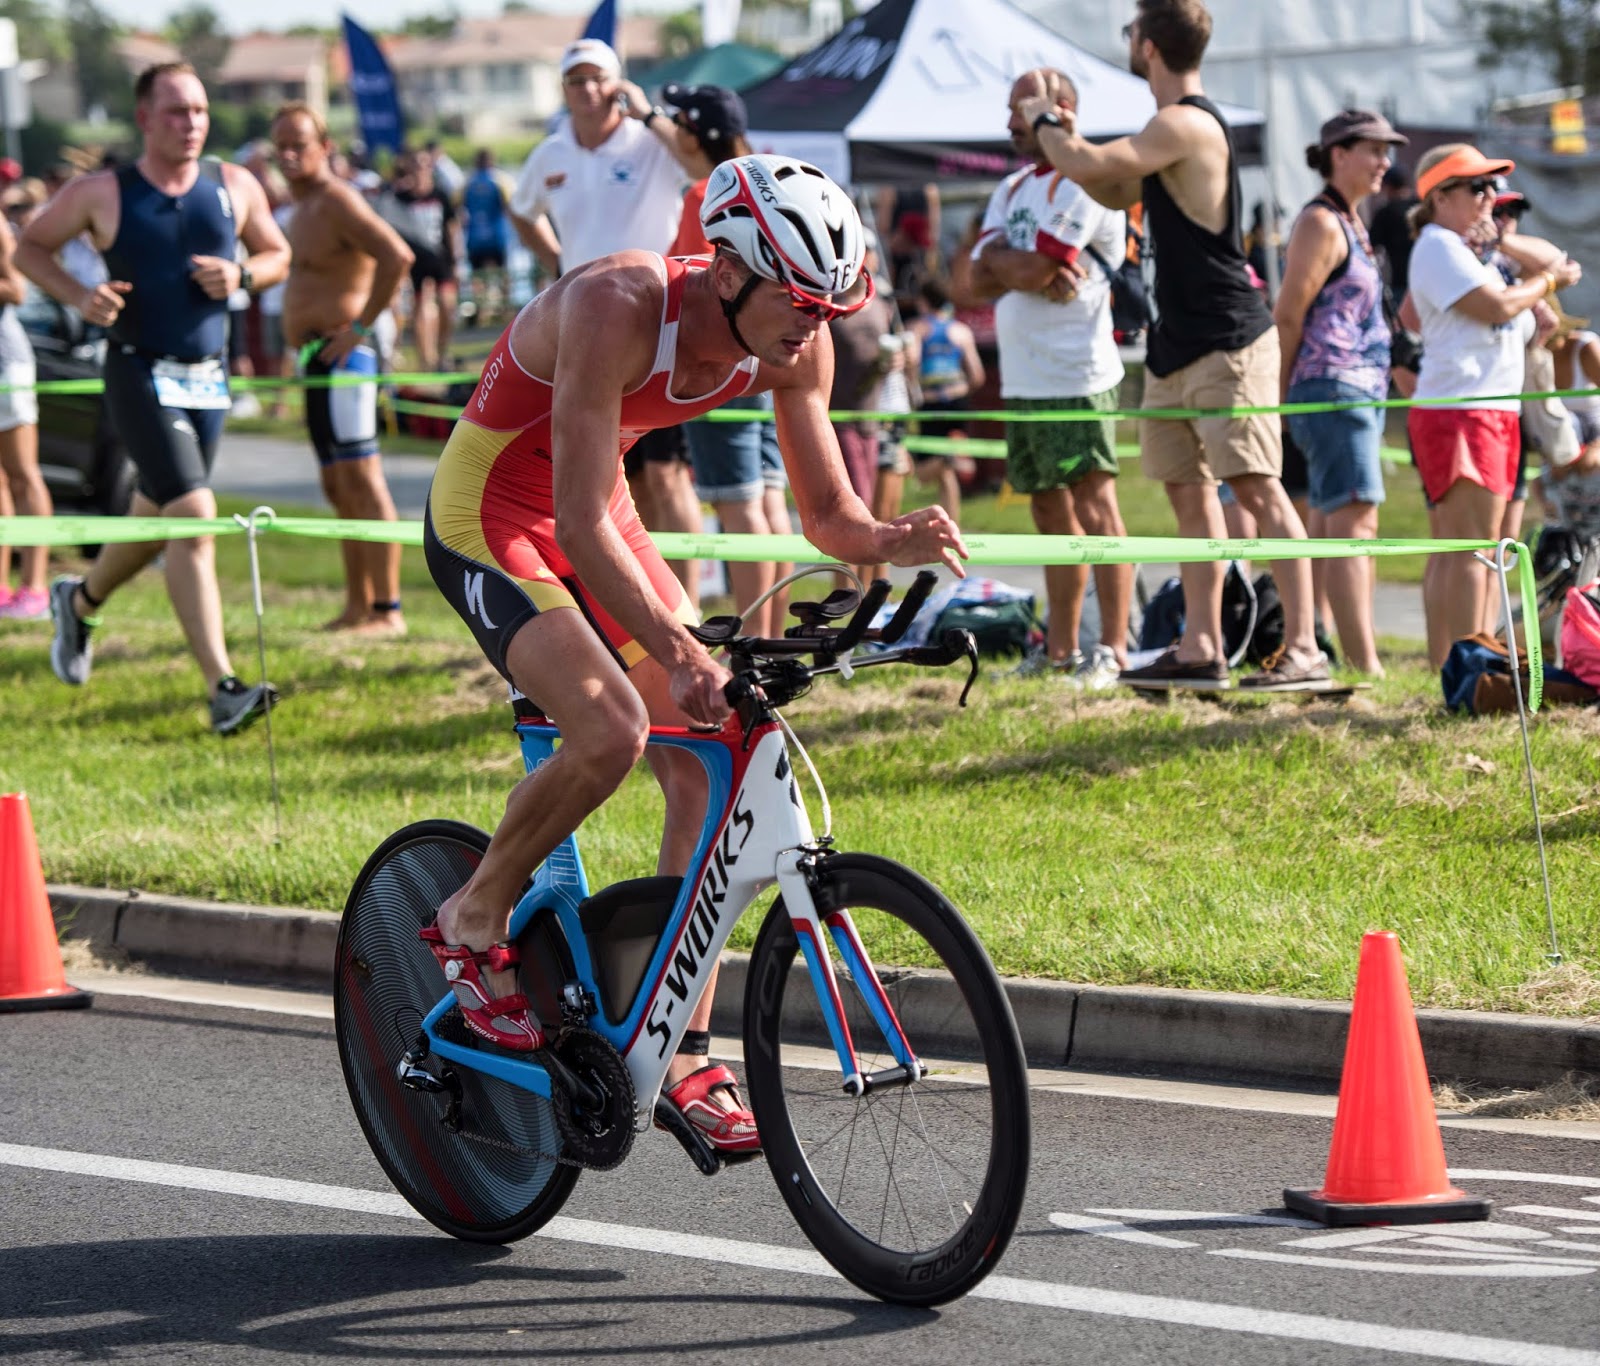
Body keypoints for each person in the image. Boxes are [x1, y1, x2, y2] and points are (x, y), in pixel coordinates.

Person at [422, 154, 965, 1152]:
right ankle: (473, 913)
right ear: (728, 272)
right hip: (490, 514)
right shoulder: (617, 304)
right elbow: (576, 523)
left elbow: (826, 513)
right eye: (798, 301)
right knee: (611, 730)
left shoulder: (796, 343)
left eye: (829, 306)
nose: (813, 325)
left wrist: (889, 537)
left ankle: (676, 1047)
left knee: (716, 758)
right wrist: (680, 647)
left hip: (597, 515)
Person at [1018, 0, 1329, 691]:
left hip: (1226, 340)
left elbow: (1088, 161)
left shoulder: (1184, 123)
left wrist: (1044, 120)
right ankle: (1200, 647)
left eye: (1131, 32)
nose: (1128, 42)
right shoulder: (1165, 131)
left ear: (1150, 46)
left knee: (1258, 489)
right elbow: (1107, 184)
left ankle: (1305, 648)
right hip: (1174, 346)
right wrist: (1068, 137)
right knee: (1189, 498)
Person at [16, 62, 290, 734]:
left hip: (208, 377)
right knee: (193, 512)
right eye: (175, 111)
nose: (190, 123)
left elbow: (277, 254)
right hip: (137, 369)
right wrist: (81, 296)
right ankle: (222, 688)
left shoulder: (234, 184)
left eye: (198, 110)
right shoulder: (103, 192)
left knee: (156, 512)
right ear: (143, 118)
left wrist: (243, 275)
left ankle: (79, 602)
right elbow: (29, 249)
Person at [511, 40, 706, 610]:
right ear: (564, 89)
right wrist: (557, 262)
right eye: (577, 80)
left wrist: (649, 113)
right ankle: (651, 610)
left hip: (658, 322)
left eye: (599, 78)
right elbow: (521, 211)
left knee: (667, 476)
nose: (589, 90)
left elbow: (703, 170)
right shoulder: (551, 152)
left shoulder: (649, 142)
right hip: (586, 330)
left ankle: (690, 613)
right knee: (622, 480)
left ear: (617, 84)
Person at [966, 68, 1134, 687]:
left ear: (1059, 110)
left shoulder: (1085, 177)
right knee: (1047, 512)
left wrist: (1010, 264)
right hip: (1024, 380)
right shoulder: (1012, 187)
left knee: (1096, 507)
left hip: (1077, 375)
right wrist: (1011, 264)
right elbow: (972, 279)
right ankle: (1060, 650)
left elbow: (1036, 269)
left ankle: (1113, 650)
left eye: (1021, 108)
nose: (1009, 122)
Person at [1402, 143, 1580, 665]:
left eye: (1493, 187)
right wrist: (1544, 285)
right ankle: (1465, 668)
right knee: (1471, 550)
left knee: (1475, 548)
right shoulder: (1438, 245)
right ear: (1439, 197)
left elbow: (1558, 263)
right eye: (1477, 187)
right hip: (1462, 411)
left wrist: (1505, 242)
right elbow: (1498, 306)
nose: (1490, 197)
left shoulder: (1465, 249)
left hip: (1488, 411)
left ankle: (1457, 664)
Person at [272, 101, 416, 636]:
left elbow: (397, 256)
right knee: (337, 485)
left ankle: (388, 610)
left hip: (346, 359)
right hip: (315, 360)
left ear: (324, 148)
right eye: (281, 147)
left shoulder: (335, 200)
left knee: (363, 479)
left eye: (299, 145)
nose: (288, 156)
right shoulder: (301, 208)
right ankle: (358, 605)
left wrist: (360, 327)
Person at [1272, 110, 1407, 677]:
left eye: (1387, 151)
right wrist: (1277, 400)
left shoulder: (1350, 221)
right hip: (1332, 388)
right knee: (1354, 521)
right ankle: (1364, 662)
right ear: (1338, 154)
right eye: (1373, 150)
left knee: (1337, 520)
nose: (1384, 163)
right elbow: (1287, 314)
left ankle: (1329, 646)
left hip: (1352, 390)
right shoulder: (1321, 222)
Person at [662, 82, 793, 636]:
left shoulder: (707, 194)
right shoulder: (769, 182)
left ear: (695, 136)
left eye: (678, 125)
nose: (672, 134)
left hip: (720, 363)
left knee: (739, 507)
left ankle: (753, 644)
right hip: (769, 356)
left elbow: (694, 276)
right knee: (767, 502)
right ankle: (771, 637)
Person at [0, 214, 49, 620]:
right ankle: (1, 588)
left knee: (23, 475)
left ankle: (34, 588)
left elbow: (17, 288)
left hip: (5, 365)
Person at [907, 277, 984, 523]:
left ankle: (948, 458)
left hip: (930, 403)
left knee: (922, 473)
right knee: (946, 474)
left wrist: (913, 393)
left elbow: (911, 363)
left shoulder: (917, 328)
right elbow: (977, 375)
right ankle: (951, 525)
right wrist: (958, 390)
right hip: (958, 401)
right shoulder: (960, 330)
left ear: (923, 301)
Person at [391, 148, 460, 375]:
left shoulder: (440, 195)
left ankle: (441, 352)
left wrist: (456, 258)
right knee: (421, 307)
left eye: (424, 164)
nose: (420, 169)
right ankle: (426, 359)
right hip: (415, 261)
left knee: (447, 305)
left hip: (440, 259)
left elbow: (451, 227)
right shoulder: (401, 198)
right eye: (415, 164)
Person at [461, 148, 512, 327]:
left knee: (477, 276)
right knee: (503, 273)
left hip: (475, 237)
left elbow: (457, 206)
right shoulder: (500, 180)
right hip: (497, 235)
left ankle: (480, 312)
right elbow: (510, 206)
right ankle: (506, 311)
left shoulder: (468, 182)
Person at [1367, 163, 1417, 298]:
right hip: (1428, 283)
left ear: (1387, 186)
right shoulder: (1423, 208)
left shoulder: (1385, 213)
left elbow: (1370, 247)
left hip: (1401, 284)